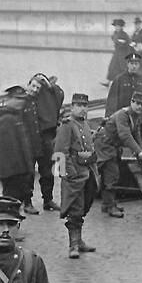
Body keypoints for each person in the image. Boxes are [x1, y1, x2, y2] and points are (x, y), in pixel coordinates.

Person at [53, 92, 99, 258]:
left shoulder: (85, 125)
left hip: (87, 174)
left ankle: (79, 241)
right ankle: (73, 245)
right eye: (78, 106)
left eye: (85, 106)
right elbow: (59, 153)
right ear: (71, 107)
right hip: (74, 176)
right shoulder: (66, 125)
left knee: (83, 207)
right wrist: (69, 174)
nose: (82, 109)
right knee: (75, 209)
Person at [95, 91, 142, 218]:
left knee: (108, 175)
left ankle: (107, 204)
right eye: (137, 104)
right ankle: (110, 207)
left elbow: (136, 135)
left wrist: (139, 151)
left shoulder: (136, 116)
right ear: (132, 102)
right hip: (104, 145)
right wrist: (139, 152)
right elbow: (125, 135)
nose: (140, 107)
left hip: (111, 146)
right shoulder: (123, 115)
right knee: (112, 175)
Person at [0, 85, 38, 210]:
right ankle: (7, 226)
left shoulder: (16, 117)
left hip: (19, 170)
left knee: (15, 201)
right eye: (17, 99)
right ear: (9, 99)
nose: (21, 102)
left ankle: (10, 224)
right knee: (11, 200)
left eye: (22, 99)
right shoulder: (6, 120)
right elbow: (8, 151)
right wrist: (20, 171)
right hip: (13, 172)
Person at [26, 73, 65, 213]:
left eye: (38, 87)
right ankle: (27, 202)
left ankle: (47, 200)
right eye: (33, 86)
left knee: (47, 171)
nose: (35, 89)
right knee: (28, 173)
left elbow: (60, 94)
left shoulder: (48, 96)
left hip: (45, 138)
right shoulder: (22, 101)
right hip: (29, 140)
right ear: (28, 85)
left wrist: (49, 85)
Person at [105, 50, 142, 122]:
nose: (134, 66)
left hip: (140, 117)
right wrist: (109, 116)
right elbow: (112, 99)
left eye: (136, 64)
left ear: (139, 65)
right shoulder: (119, 79)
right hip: (124, 116)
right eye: (131, 63)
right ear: (127, 64)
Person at [105, 18, 131, 83]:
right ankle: (109, 81)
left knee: (122, 67)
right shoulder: (115, 33)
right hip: (117, 52)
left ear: (121, 27)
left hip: (123, 53)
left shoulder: (124, 34)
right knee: (112, 66)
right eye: (115, 26)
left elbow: (126, 43)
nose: (116, 28)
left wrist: (119, 43)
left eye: (118, 26)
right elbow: (113, 38)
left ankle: (126, 81)